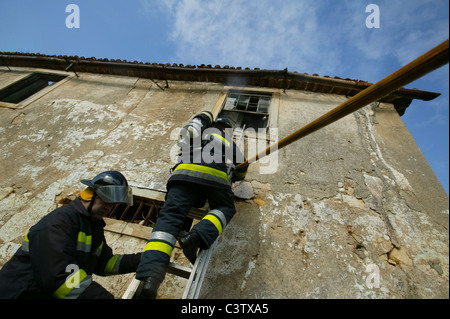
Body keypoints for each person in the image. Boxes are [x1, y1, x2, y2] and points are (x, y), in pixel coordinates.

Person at [135, 112, 248, 299]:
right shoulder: (226, 140)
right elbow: (242, 166)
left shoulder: (198, 132)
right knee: (225, 208)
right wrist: (236, 177)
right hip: (214, 177)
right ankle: (196, 236)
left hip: (183, 175)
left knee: (169, 219)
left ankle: (150, 278)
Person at [0, 171, 141, 299]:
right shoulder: (59, 223)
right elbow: (61, 278)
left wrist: (145, 259)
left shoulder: (92, 225)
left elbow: (104, 263)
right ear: (91, 195)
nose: (109, 207)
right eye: (106, 200)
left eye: (113, 204)